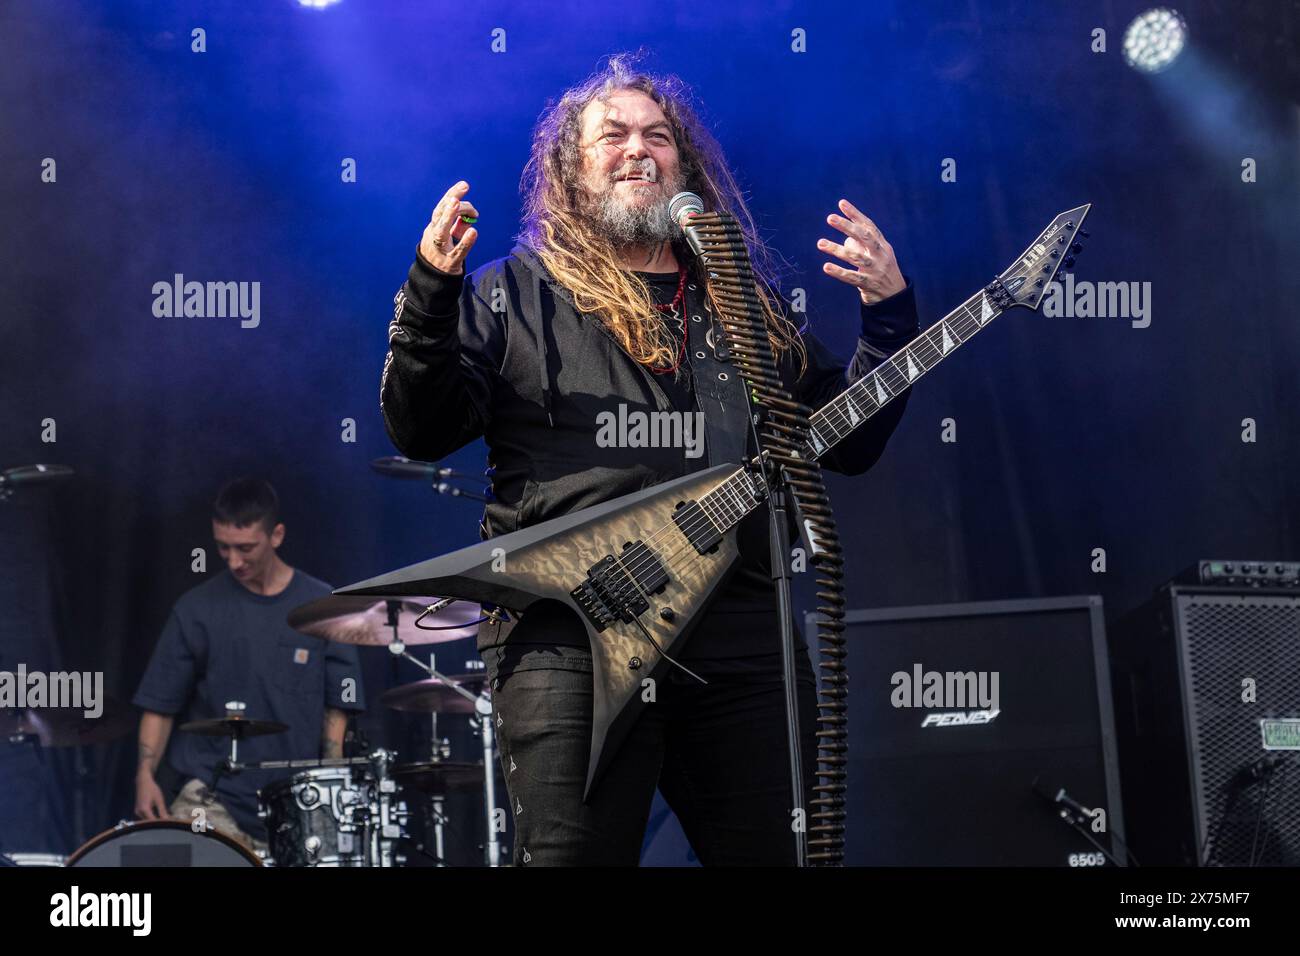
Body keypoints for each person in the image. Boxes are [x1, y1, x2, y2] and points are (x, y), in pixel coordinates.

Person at [379, 53, 919, 865]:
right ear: (572, 166)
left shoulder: (738, 299)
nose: (639, 148)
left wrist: (888, 318)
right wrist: (429, 292)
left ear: (684, 163)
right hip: (571, 634)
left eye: (658, 135)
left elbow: (844, 445)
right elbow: (419, 428)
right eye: (614, 134)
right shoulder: (512, 292)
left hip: (741, 634)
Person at [132, 478, 366, 855]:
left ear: (276, 535)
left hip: (298, 798)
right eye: (223, 548)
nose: (234, 561)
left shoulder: (323, 606)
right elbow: (160, 705)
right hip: (212, 795)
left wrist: (330, 783)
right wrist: (144, 775)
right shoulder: (196, 609)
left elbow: (337, 708)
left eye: (245, 548)